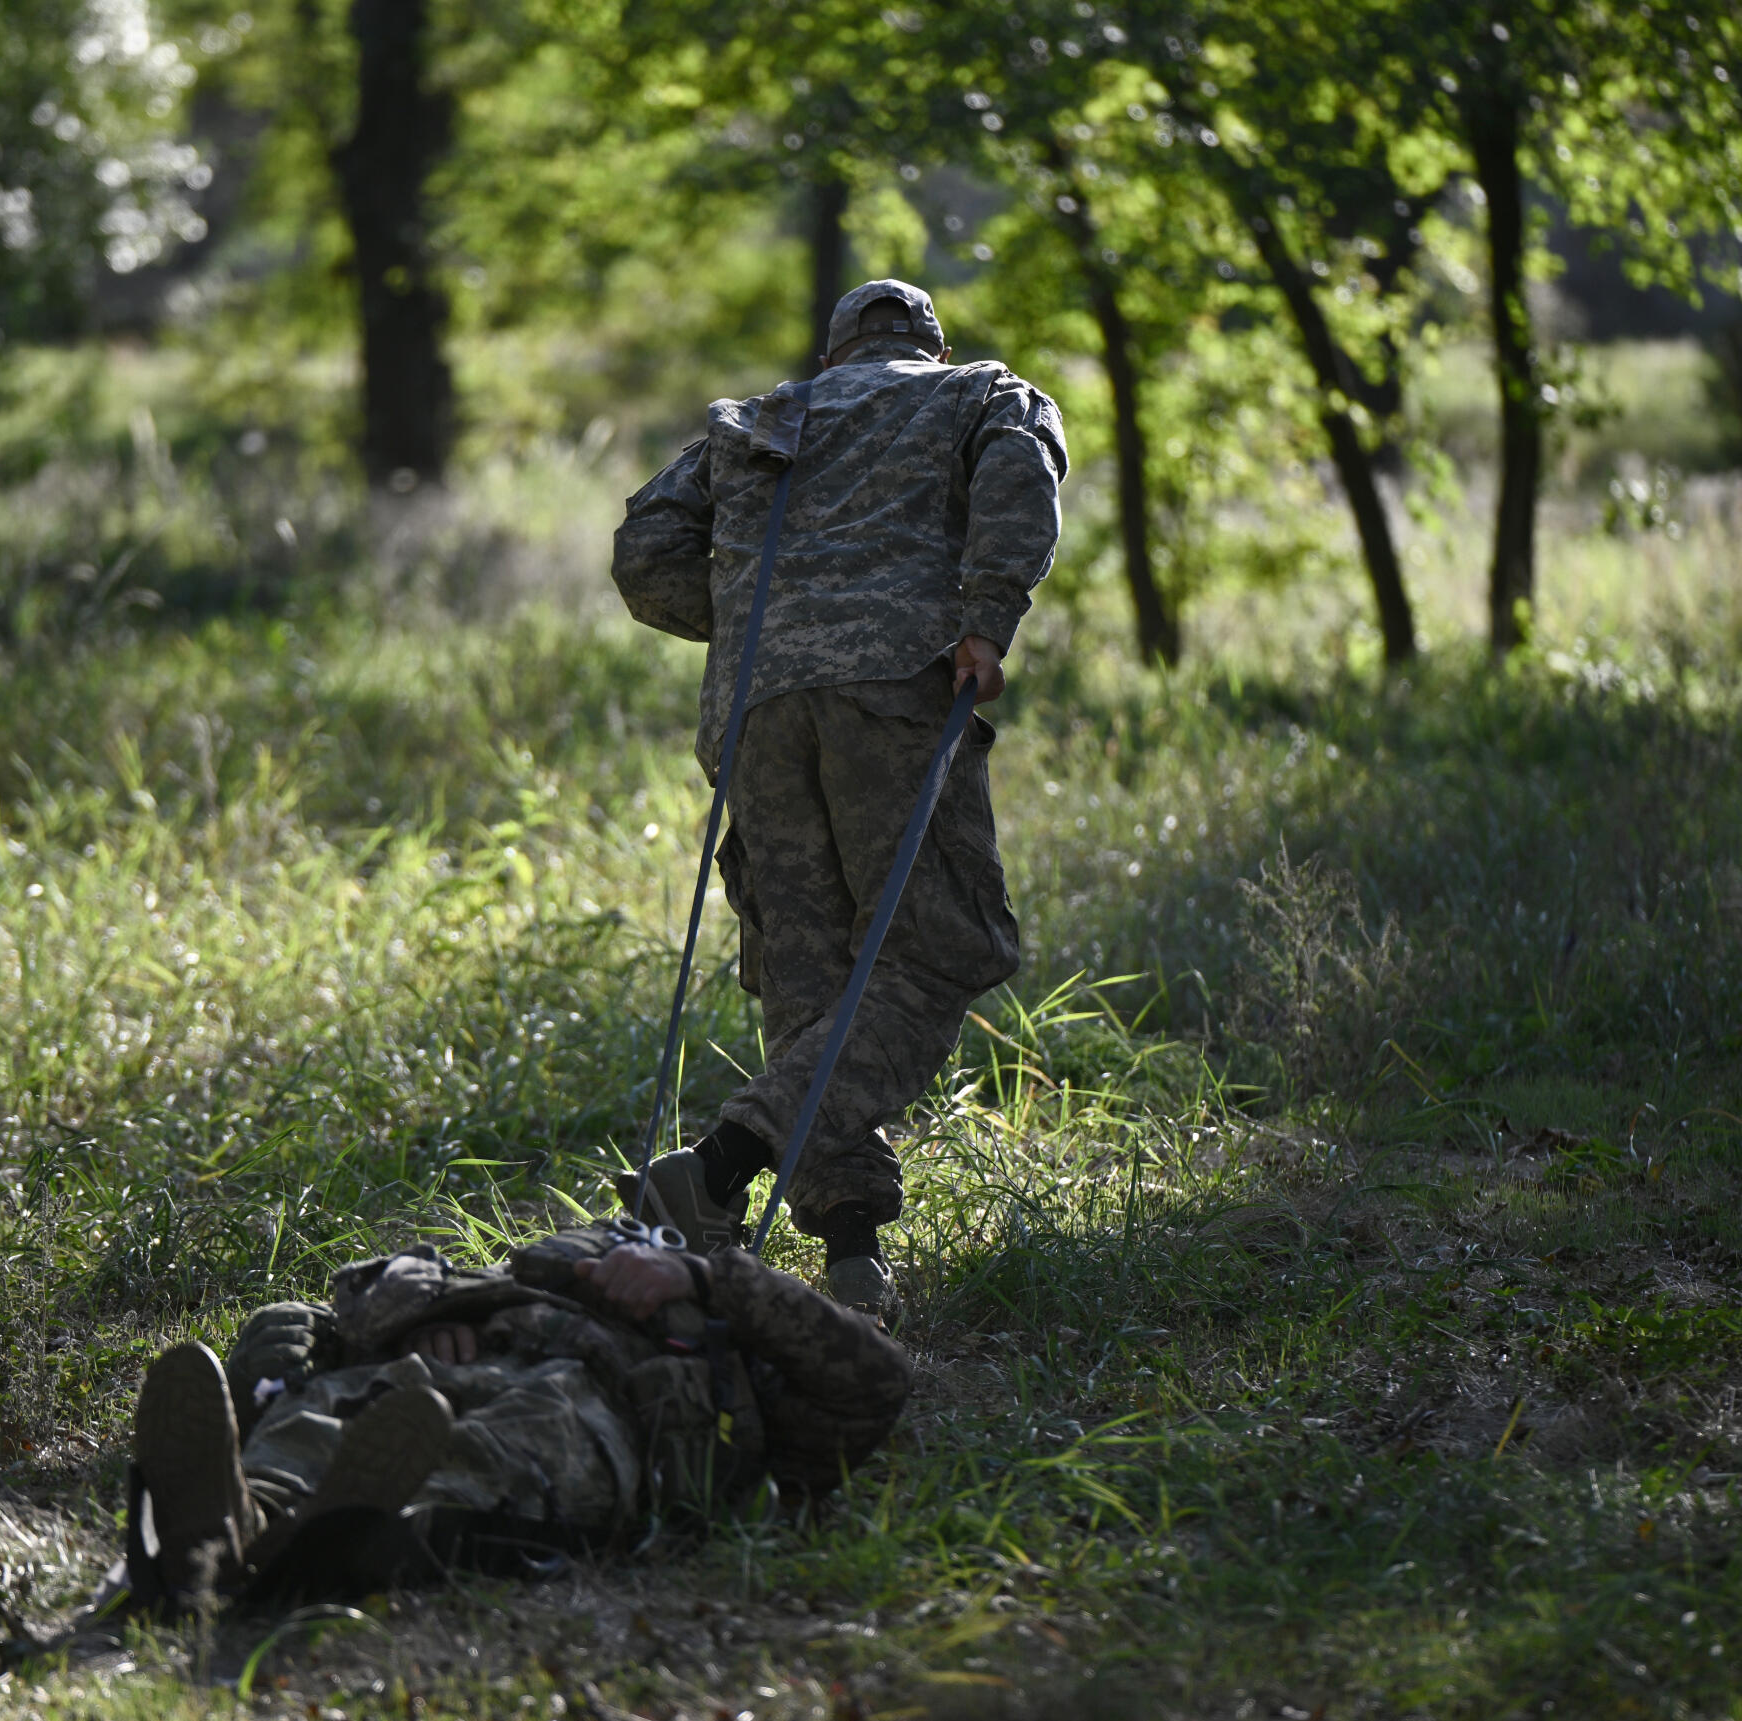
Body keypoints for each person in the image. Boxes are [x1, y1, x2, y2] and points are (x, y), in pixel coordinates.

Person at [608, 279, 1067, 1324]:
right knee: (944, 943)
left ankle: (853, 1264)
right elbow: (1019, 472)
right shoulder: (980, 391)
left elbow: (644, 553)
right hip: (895, 690)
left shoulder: (763, 416)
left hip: (756, 711)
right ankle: (722, 1162)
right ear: (929, 348)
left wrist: (759, 625)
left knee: (809, 980)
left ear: (834, 355)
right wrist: (984, 617)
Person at [109, 1221, 911, 1609]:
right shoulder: (548, 1264)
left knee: (497, 1443)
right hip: (447, 1362)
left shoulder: (739, 1352)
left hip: (595, 1409)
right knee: (339, 1406)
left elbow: (875, 1382)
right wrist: (427, 1316)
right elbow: (335, 1308)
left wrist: (705, 1280)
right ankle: (235, 1521)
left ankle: (321, 1535)